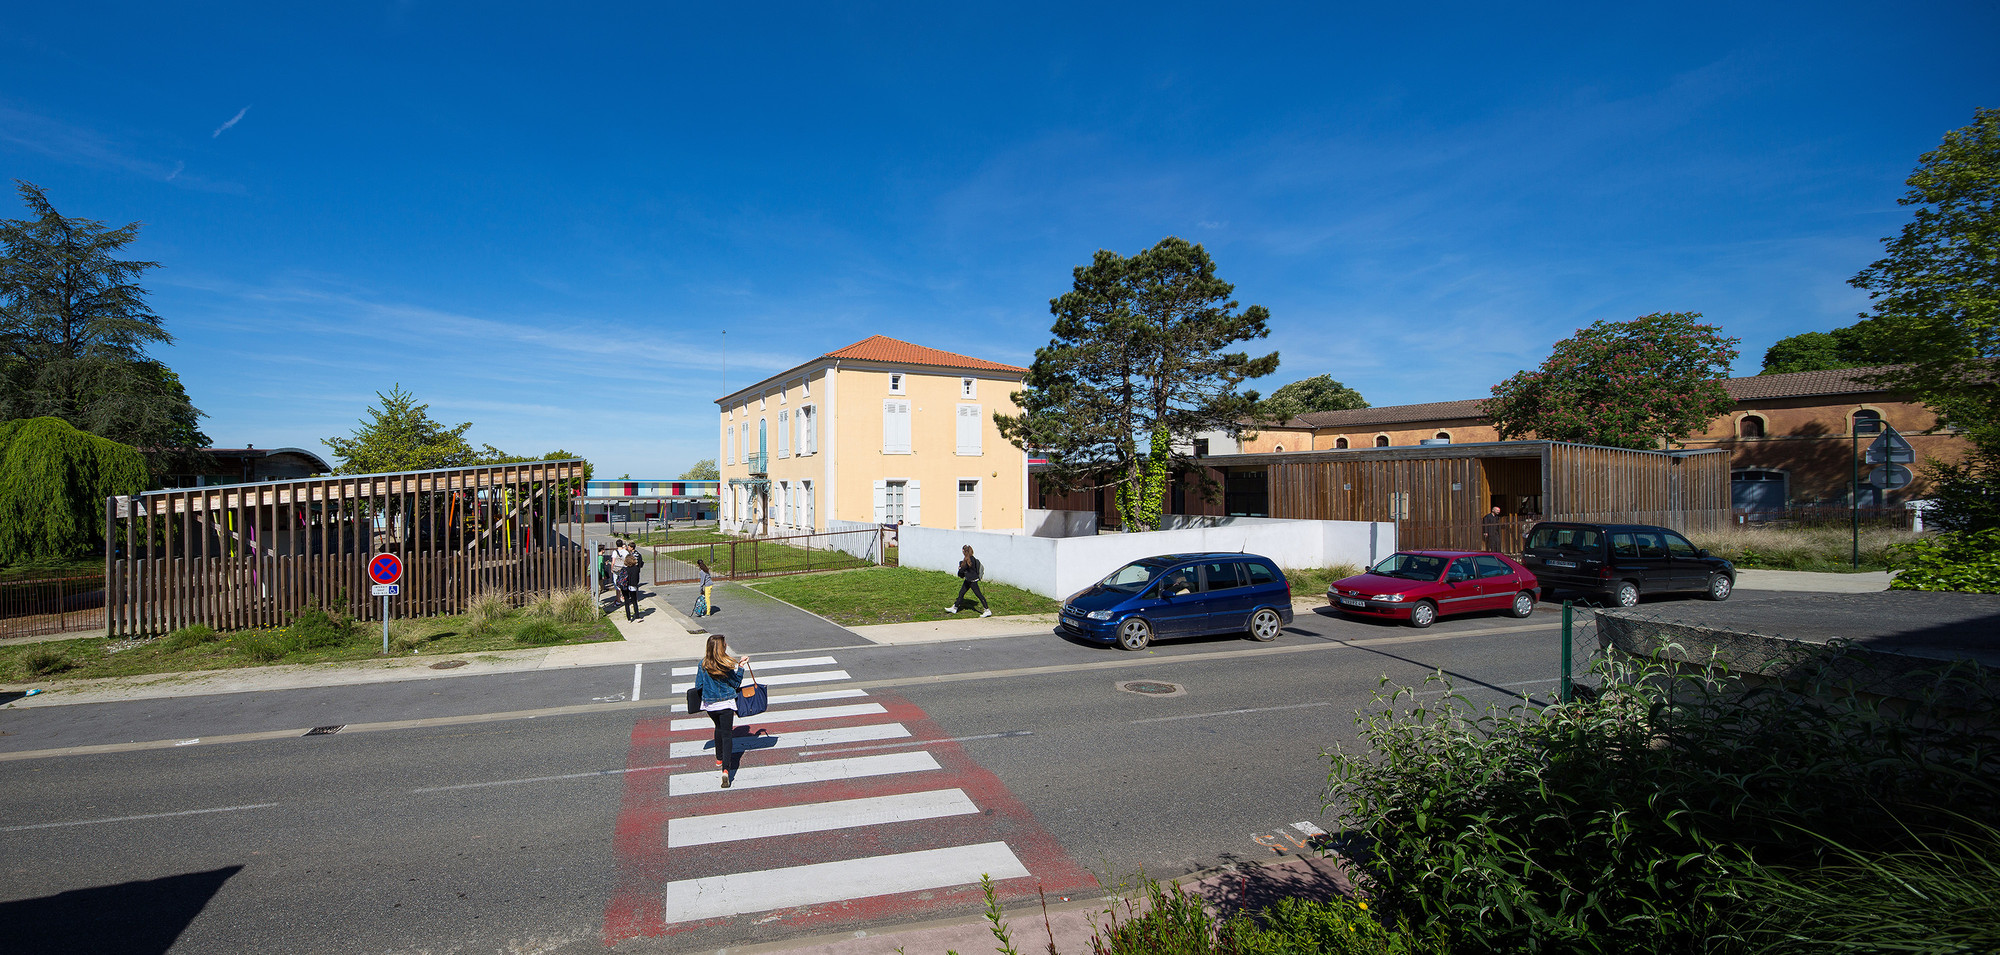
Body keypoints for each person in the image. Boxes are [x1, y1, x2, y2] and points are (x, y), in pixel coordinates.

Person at [695, 634, 752, 787]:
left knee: (718, 727)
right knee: (727, 735)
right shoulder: (726, 665)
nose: (726, 644)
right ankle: (726, 769)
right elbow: (735, 683)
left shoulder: (703, 664)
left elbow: (698, 686)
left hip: (710, 706)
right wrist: (741, 667)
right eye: (725, 643)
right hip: (726, 704)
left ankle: (719, 757)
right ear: (722, 647)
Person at [945, 544, 991, 617]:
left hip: (972, 581)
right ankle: (955, 608)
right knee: (961, 593)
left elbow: (962, 571)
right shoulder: (972, 558)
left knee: (979, 595)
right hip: (969, 580)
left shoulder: (967, 560)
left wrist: (960, 568)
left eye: (962, 551)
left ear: (964, 551)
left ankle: (987, 610)